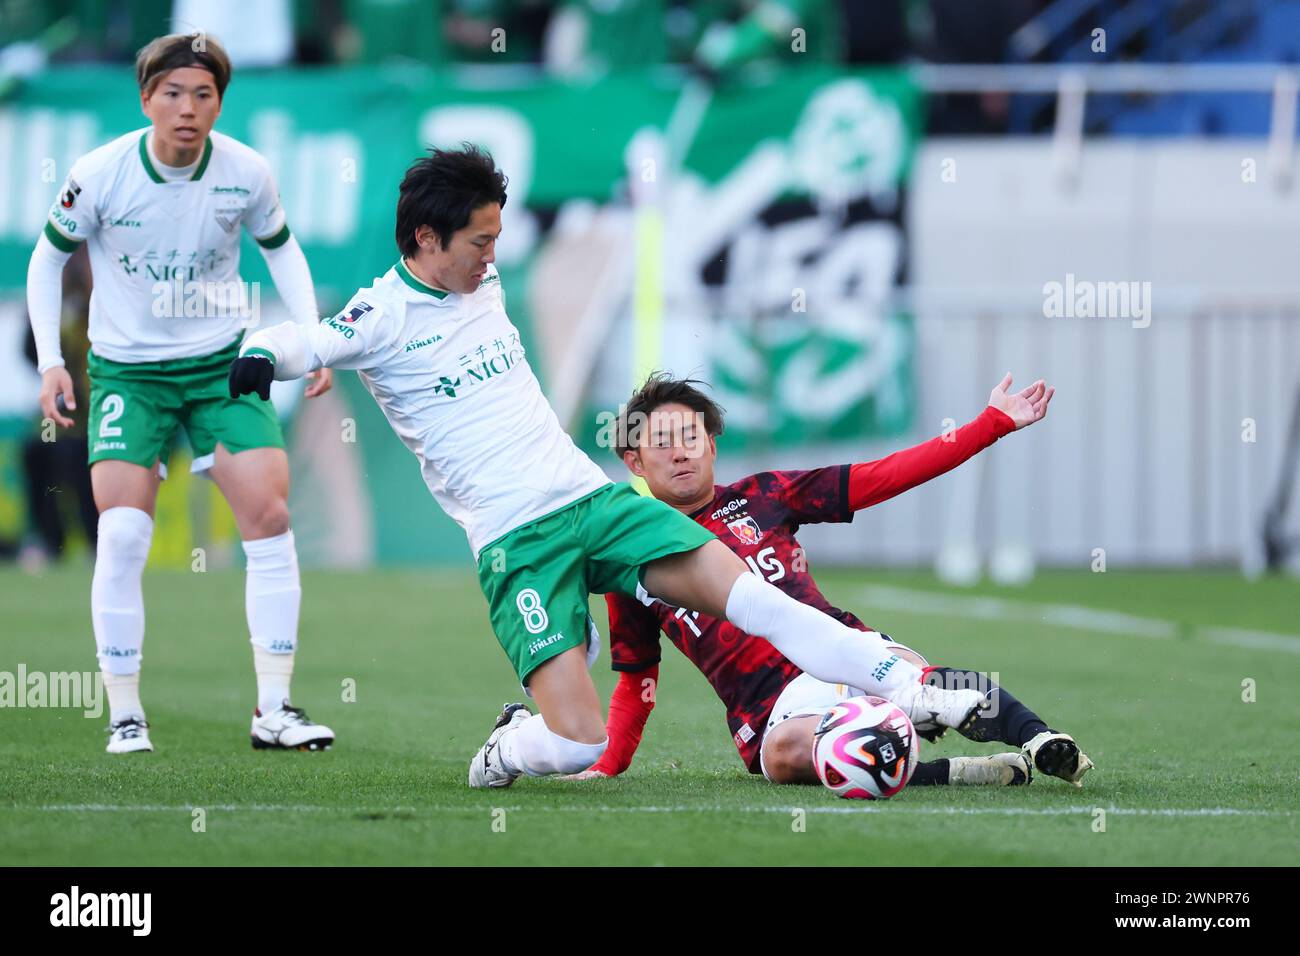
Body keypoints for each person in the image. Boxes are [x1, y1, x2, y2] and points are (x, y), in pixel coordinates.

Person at [229, 144, 988, 789]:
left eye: (496, 237)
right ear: (426, 237)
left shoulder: (481, 283)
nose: (493, 255)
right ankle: (510, 743)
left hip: (591, 501)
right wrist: (263, 356)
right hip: (517, 543)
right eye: (479, 241)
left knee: (756, 598)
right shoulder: (383, 315)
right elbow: (311, 341)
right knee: (578, 745)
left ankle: (919, 689)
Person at [27, 33, 335, 754]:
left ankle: (275, 708)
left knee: (270, 514)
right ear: (146, 100)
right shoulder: (100, 174)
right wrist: (51, 361)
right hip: (129, 373)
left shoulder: (246, 172)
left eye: (203, 94)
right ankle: (125, 713)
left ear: (220, 102)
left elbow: (282, 248)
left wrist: (312, 337)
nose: (188, 109)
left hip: (220, 365)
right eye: (173, 93)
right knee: (125, 531)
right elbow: (48, 260)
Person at [571, 373, 1093, 789]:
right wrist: (606, 767)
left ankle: (1042, 738)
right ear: (633, 460)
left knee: (914, 672)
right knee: (782, 759)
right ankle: (956, 774)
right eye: (660, 443)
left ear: (711, 445)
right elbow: (636, 683)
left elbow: (885, 474)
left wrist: (991, 424)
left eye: (690, 436)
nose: (679, 452)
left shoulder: (767, 495)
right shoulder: (633, 564)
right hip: (773, 709)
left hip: (849, 655)